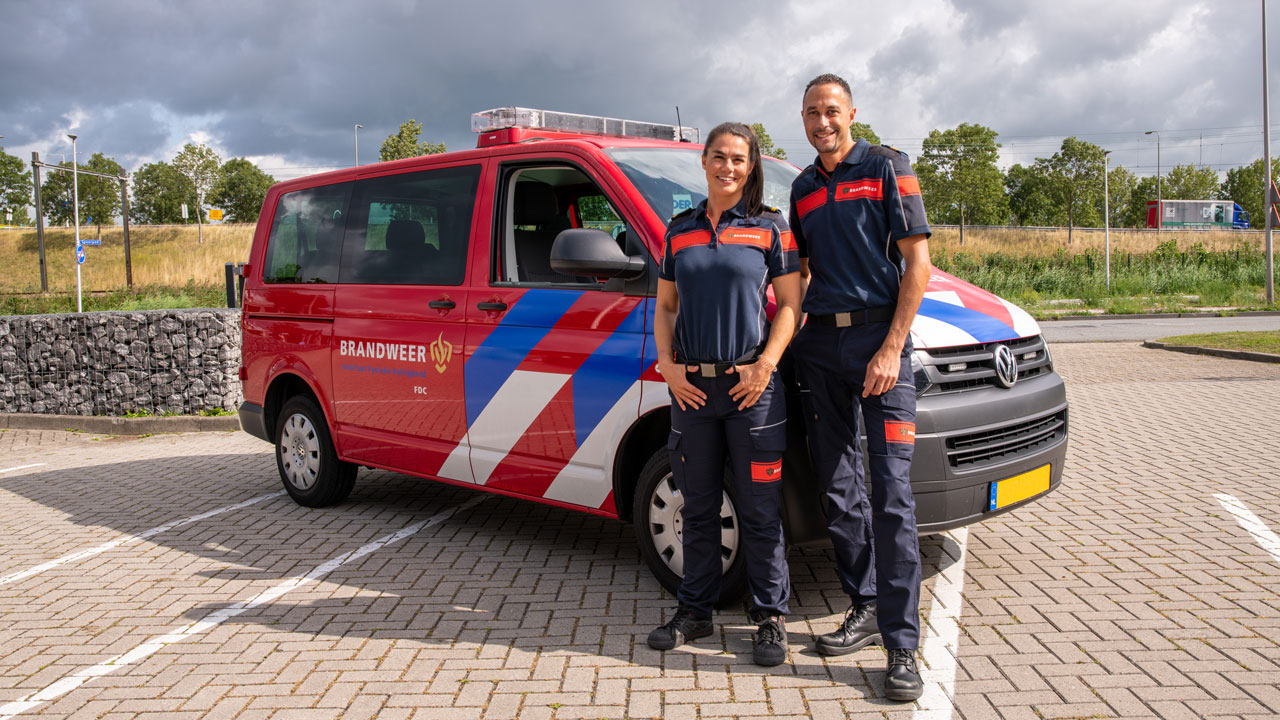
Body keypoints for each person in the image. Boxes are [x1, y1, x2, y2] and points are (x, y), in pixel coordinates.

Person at [788, 73, 931, 701]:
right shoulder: (801, 187)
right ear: (803, 119)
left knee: (892, 495)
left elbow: (917, 263)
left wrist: (893, 347)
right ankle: (865, 603)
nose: (823, 122)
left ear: (853, 113)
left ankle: (902, 647)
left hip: (880, 344)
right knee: (839, 487)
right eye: (813, 113)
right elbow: (804, 270)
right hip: (822, 345)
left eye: (832, 111)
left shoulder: (887, 167)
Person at [646, 122, 803, 667]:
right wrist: (668, 368)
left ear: (751, 165)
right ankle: (696, 611)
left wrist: (766, 366)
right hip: (692, 391)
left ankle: (769, 618)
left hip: (752, 391)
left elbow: (790, 305)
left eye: (739, 159)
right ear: (705, 162)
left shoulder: (769, 228)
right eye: (719, 157)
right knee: (699, 504)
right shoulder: (679, 231)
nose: (728, 167)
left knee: (760, 510)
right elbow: (665, 308)